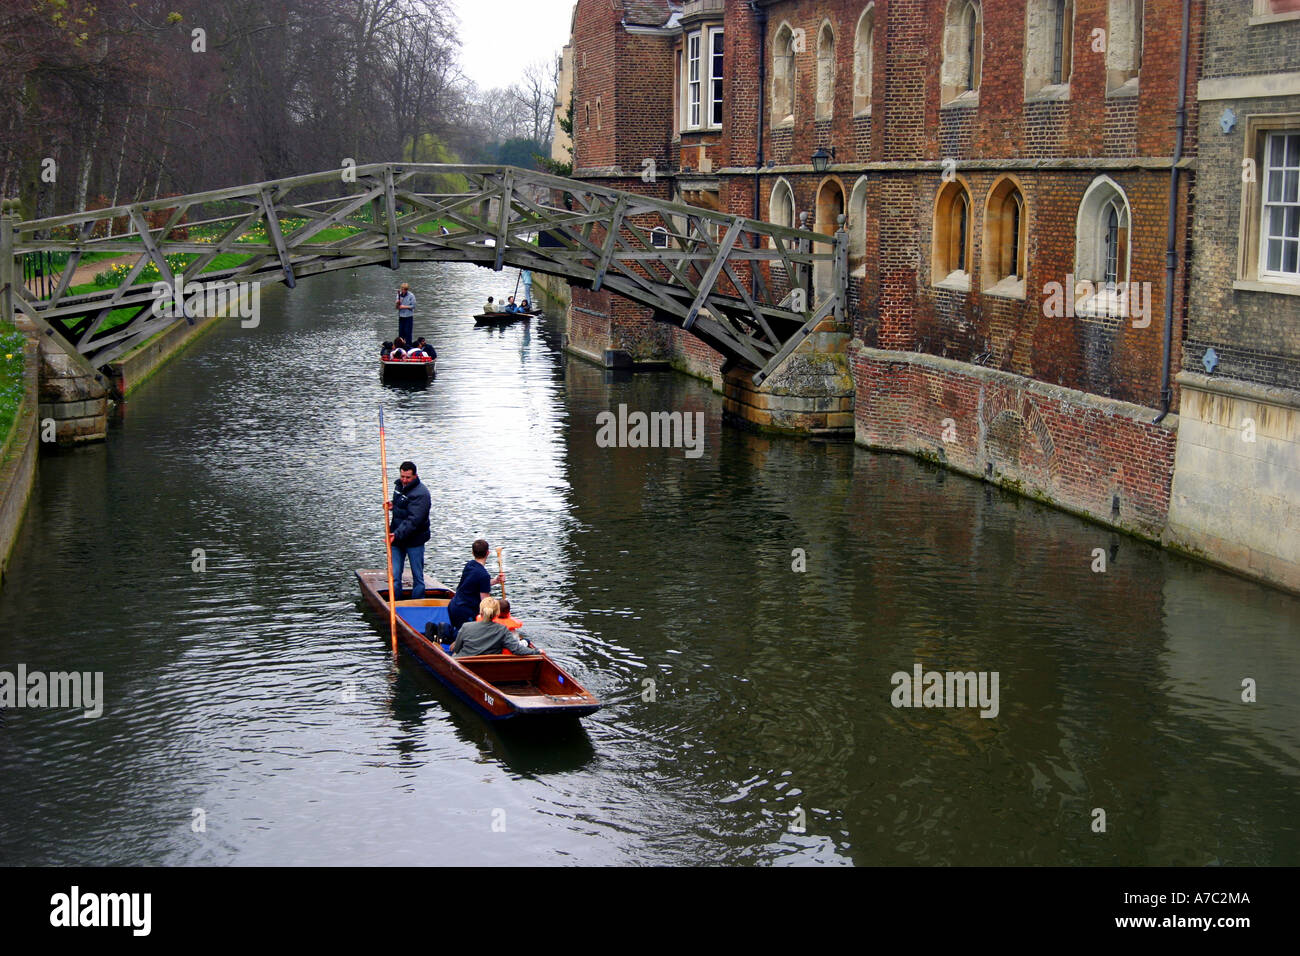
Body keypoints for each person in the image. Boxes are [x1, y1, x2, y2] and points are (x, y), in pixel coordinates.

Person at [384, 461, 431, 599]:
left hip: (414, 541)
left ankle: (417, 605)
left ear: (415, 476)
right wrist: (394, 505)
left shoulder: (422, 494)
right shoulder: (399, 486)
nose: (404, 480)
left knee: (418, 576)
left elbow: (414, 520)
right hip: (397, 540)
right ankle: (395, 606)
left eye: (407, 477)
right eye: (402, 476)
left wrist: (396, 534)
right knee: (395, 576)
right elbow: (404, 506)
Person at [446, 539, 505, 631]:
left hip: (453, 606)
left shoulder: (469, 565)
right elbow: (485, 603)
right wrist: (501, 610)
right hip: (465, 612)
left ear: (472, 553)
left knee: (459, 633)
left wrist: (495, 581)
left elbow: (476, 583)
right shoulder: (484, 575)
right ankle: (442, 631)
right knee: (466, 636)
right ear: (488, 553)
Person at [451, 597, 538, 658]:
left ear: (481, 612)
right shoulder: (503, 629)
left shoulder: (466, 626)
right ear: (496, 614)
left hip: (467, 662)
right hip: (491, 665)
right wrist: (537, 651)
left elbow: (456, 649)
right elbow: (516, 649)